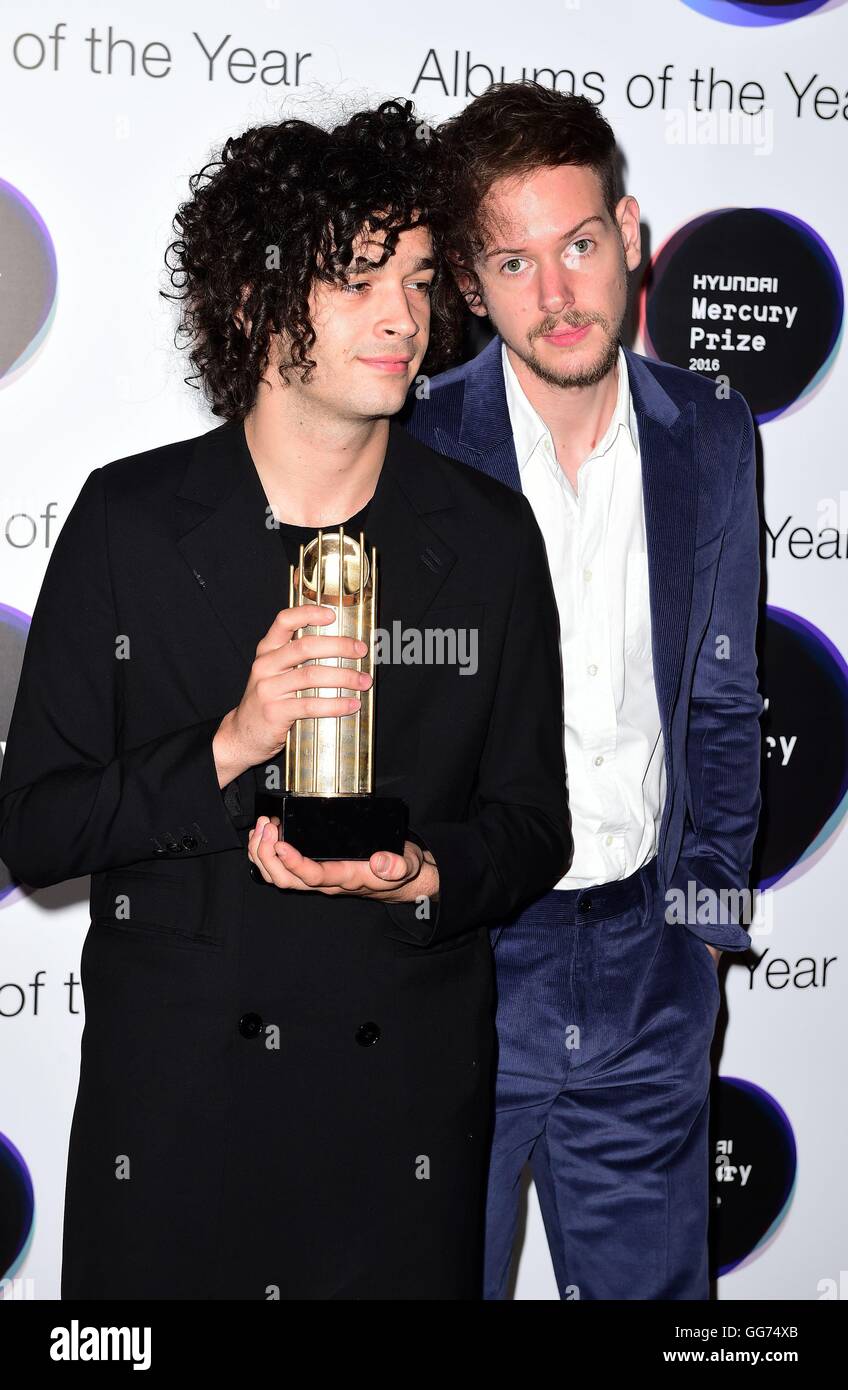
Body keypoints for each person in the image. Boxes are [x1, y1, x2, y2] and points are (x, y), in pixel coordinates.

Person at [0, 99, 570, 1300]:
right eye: (359, 278)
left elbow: (531, 823)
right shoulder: (131, 523)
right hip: (179, 1123)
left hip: (397, 1117)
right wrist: (229, 742)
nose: (404, 317)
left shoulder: (485, 536)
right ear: (255, 304)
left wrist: (419, 873)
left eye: (418, 278)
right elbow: (39, 825)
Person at [402, 81, 763, 1300]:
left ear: (632, 234)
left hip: (647, 968)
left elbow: (721, 705)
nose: (555, 296)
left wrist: (704, 941)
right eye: (512, 261)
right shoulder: (415, 444)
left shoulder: (711, 430)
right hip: (463, 968)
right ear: (469, 284)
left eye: (578, 246)